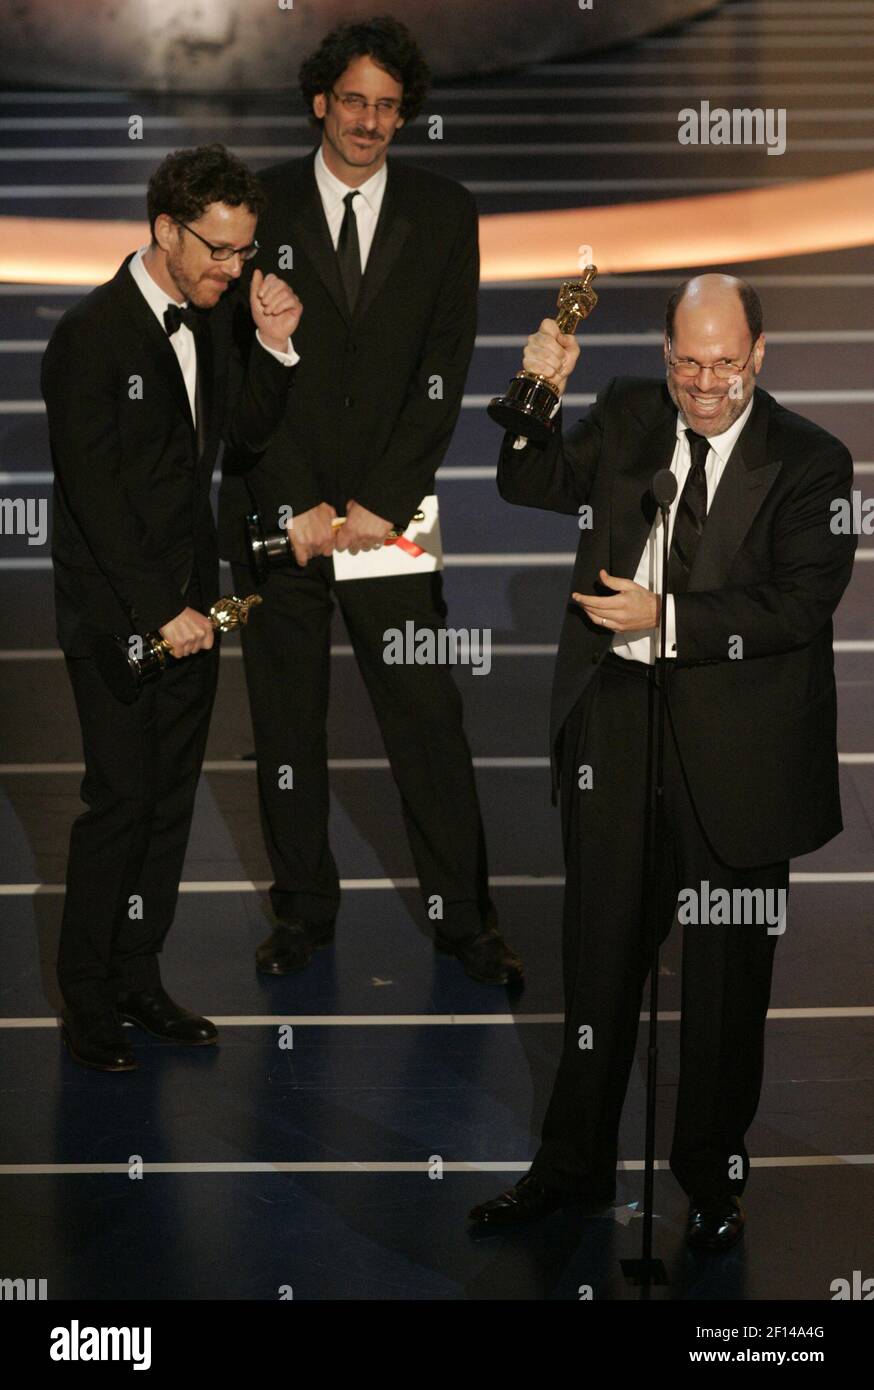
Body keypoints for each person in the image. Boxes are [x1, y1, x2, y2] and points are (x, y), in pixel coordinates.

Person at [469, 273, 856, 1250]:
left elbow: (799, 605)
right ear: (664, 355)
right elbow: (530, 482)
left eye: (725, 362)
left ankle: (712, 1184)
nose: (705, 382)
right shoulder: (632, 414)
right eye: (687, 361)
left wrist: (668, 618)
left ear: (758, 355)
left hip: (739, 759)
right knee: (597, 969)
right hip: (617, 729)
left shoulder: (811, 462)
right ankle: (571, 1167)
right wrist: (534, 396)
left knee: (725, 997)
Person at [219, 17, 522, 985]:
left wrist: (382, 503)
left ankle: (463, 918)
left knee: (425, 720)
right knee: (286, 722)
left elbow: (445, 367)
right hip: (281, 514)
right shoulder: (255, 205)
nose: (369, 120)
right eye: (353, 100)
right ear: (320, 101)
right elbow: (238, 368)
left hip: (393, 516)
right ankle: (301, 912)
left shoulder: (444, 210)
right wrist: (298, 502)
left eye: (388, 106)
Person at [42, 144, 301, 1070]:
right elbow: (94, 496)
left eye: (244, 253)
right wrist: (159, 611)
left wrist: (271, 344)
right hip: (119, 616)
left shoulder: (220, 321)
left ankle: (140, 976)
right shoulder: (90, 335)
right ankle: (88, 998)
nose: (235, 271)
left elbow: (251, 439)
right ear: (165, 230)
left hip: (194, 608)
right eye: (219, 252)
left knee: (167, 806)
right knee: (117, 804)